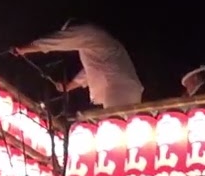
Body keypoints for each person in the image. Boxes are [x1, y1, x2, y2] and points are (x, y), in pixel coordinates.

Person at [12, 20, 144, 109]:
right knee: (116, 124)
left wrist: (25, 49)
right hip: (122, 86)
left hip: (118, 86)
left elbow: (56, 41)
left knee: (115, 123)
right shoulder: (95, 46)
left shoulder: (87, 33)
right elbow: (89, 71)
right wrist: (69, 86)